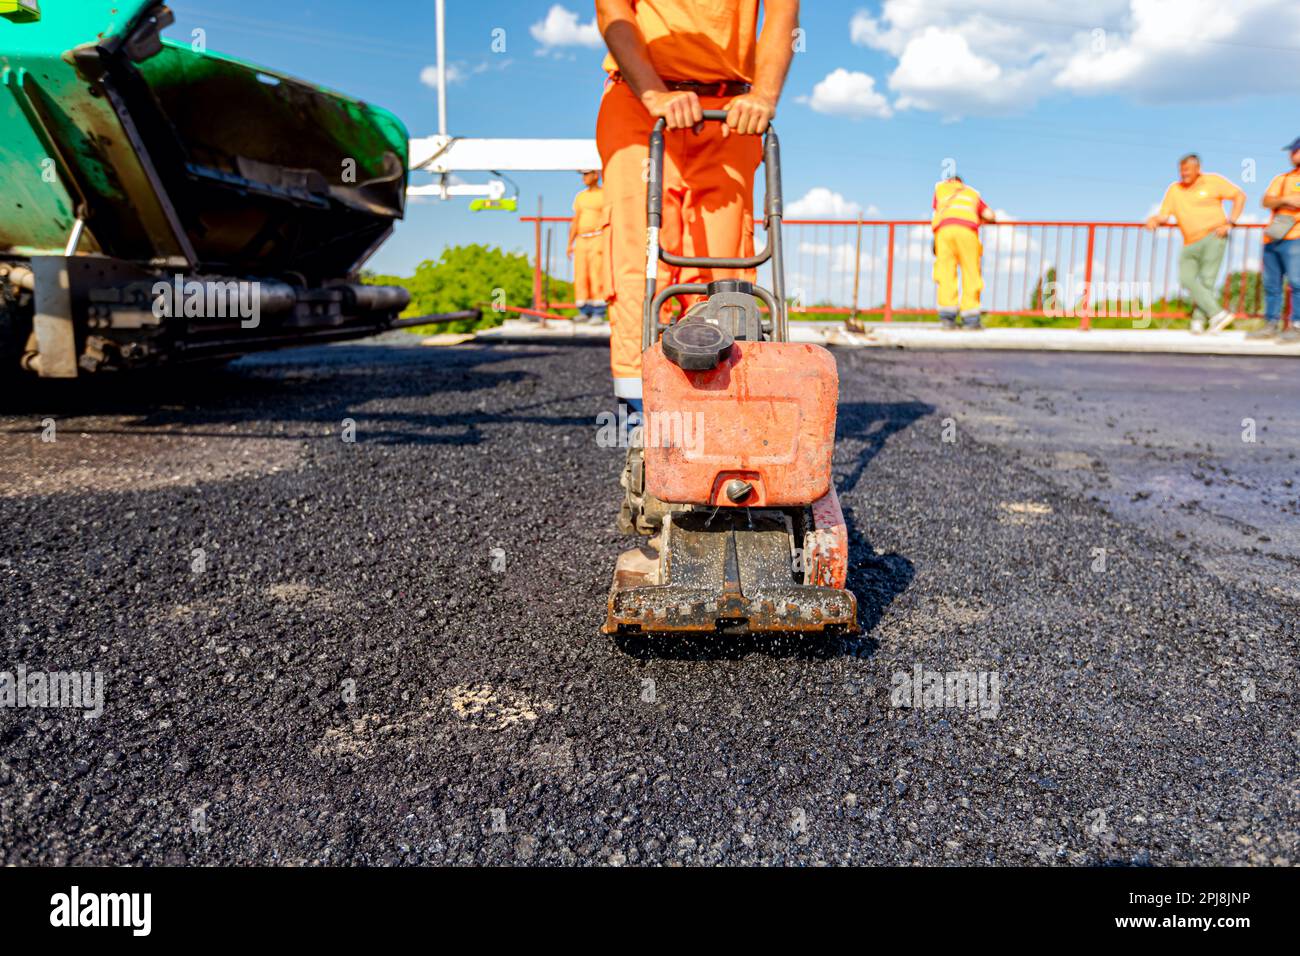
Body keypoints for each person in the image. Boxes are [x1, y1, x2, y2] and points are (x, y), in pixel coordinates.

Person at [595, 0, 799, 414]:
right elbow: (612, 12)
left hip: (731, 111)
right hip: (639, 101)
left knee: (727, 267)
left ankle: (718, 404)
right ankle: (638, 411)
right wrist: (654, 93)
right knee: (640, 256)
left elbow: (782, 18)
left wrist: (764, 94)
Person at [1145, 154, 1244, 333]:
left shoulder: (1213, 181)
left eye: (1187, 170)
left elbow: (1239, 195)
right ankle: (1217, 314)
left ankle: (1198, 321)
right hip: (1189, 241)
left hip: (1214, 237)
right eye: (1181, 171)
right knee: (1186, 278)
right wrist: (1154, 219)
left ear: (1198, 169)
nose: (1184, 174)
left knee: (1207, 280)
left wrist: (1231, 222)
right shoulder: (1174, 189)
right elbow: (1165, 215)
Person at [931, 174, 996, 330]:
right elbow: (989, 215)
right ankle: (971, 319)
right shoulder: (971, 193)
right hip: (967, 232)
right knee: (971, 272)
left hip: (944, 232)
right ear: (961, 182)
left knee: (945, 272)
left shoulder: (941, 190)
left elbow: (936, 212)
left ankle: (947, 319)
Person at [1259, 136, 1300, 343]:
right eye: (1292, 151)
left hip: (1296, 238)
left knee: (1297, 282)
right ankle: (1271, 324)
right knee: (1271, 284)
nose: (1293, 155)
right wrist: (1286, 199)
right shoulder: (1282, 178)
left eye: (1296, 150)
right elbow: (1266, 200)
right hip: (1273, 238)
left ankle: (1296, 325)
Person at [567, 169, 609, 324]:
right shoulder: (580, 196)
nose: (584, 178)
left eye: (586, 174)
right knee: (580, 275)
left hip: (597, 237)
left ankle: (598, 311)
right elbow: (575, 220)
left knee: (596, 273)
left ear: (595, 175)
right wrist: (569, 243)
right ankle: (584, 310)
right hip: (581, 239)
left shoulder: (604, 194)